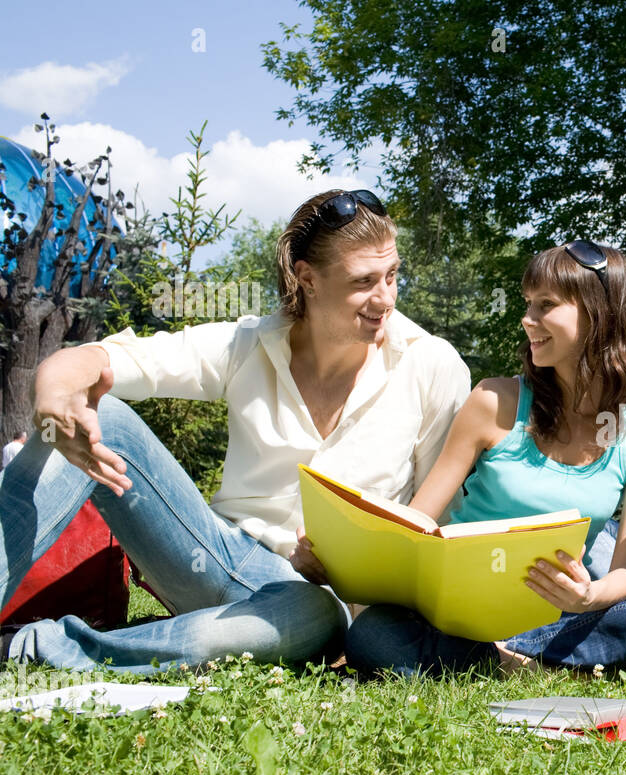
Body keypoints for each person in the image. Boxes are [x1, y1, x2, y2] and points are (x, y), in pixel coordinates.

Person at [0, 189, 469, 672]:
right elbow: (104, 361)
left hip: (319, 603)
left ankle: (31, 646)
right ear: (307, 278)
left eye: (392, 275)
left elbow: (432, 530)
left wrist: (352, 568)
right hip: (212, 553)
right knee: (94, 415)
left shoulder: (431, 366)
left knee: (307, 614)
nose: (385, 298)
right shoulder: (247, 345)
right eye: (364, 281)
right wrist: (55, 395)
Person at [340, 242, 626, 676]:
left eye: (546, 306)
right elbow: (417, 522)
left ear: (599, 315)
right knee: (373, 635)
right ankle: (531, 662)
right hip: (454, 617)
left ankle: (510, 659)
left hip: (561, 622)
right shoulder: (494, 401)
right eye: (528, 304)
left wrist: (589, 598)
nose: (527, 319)